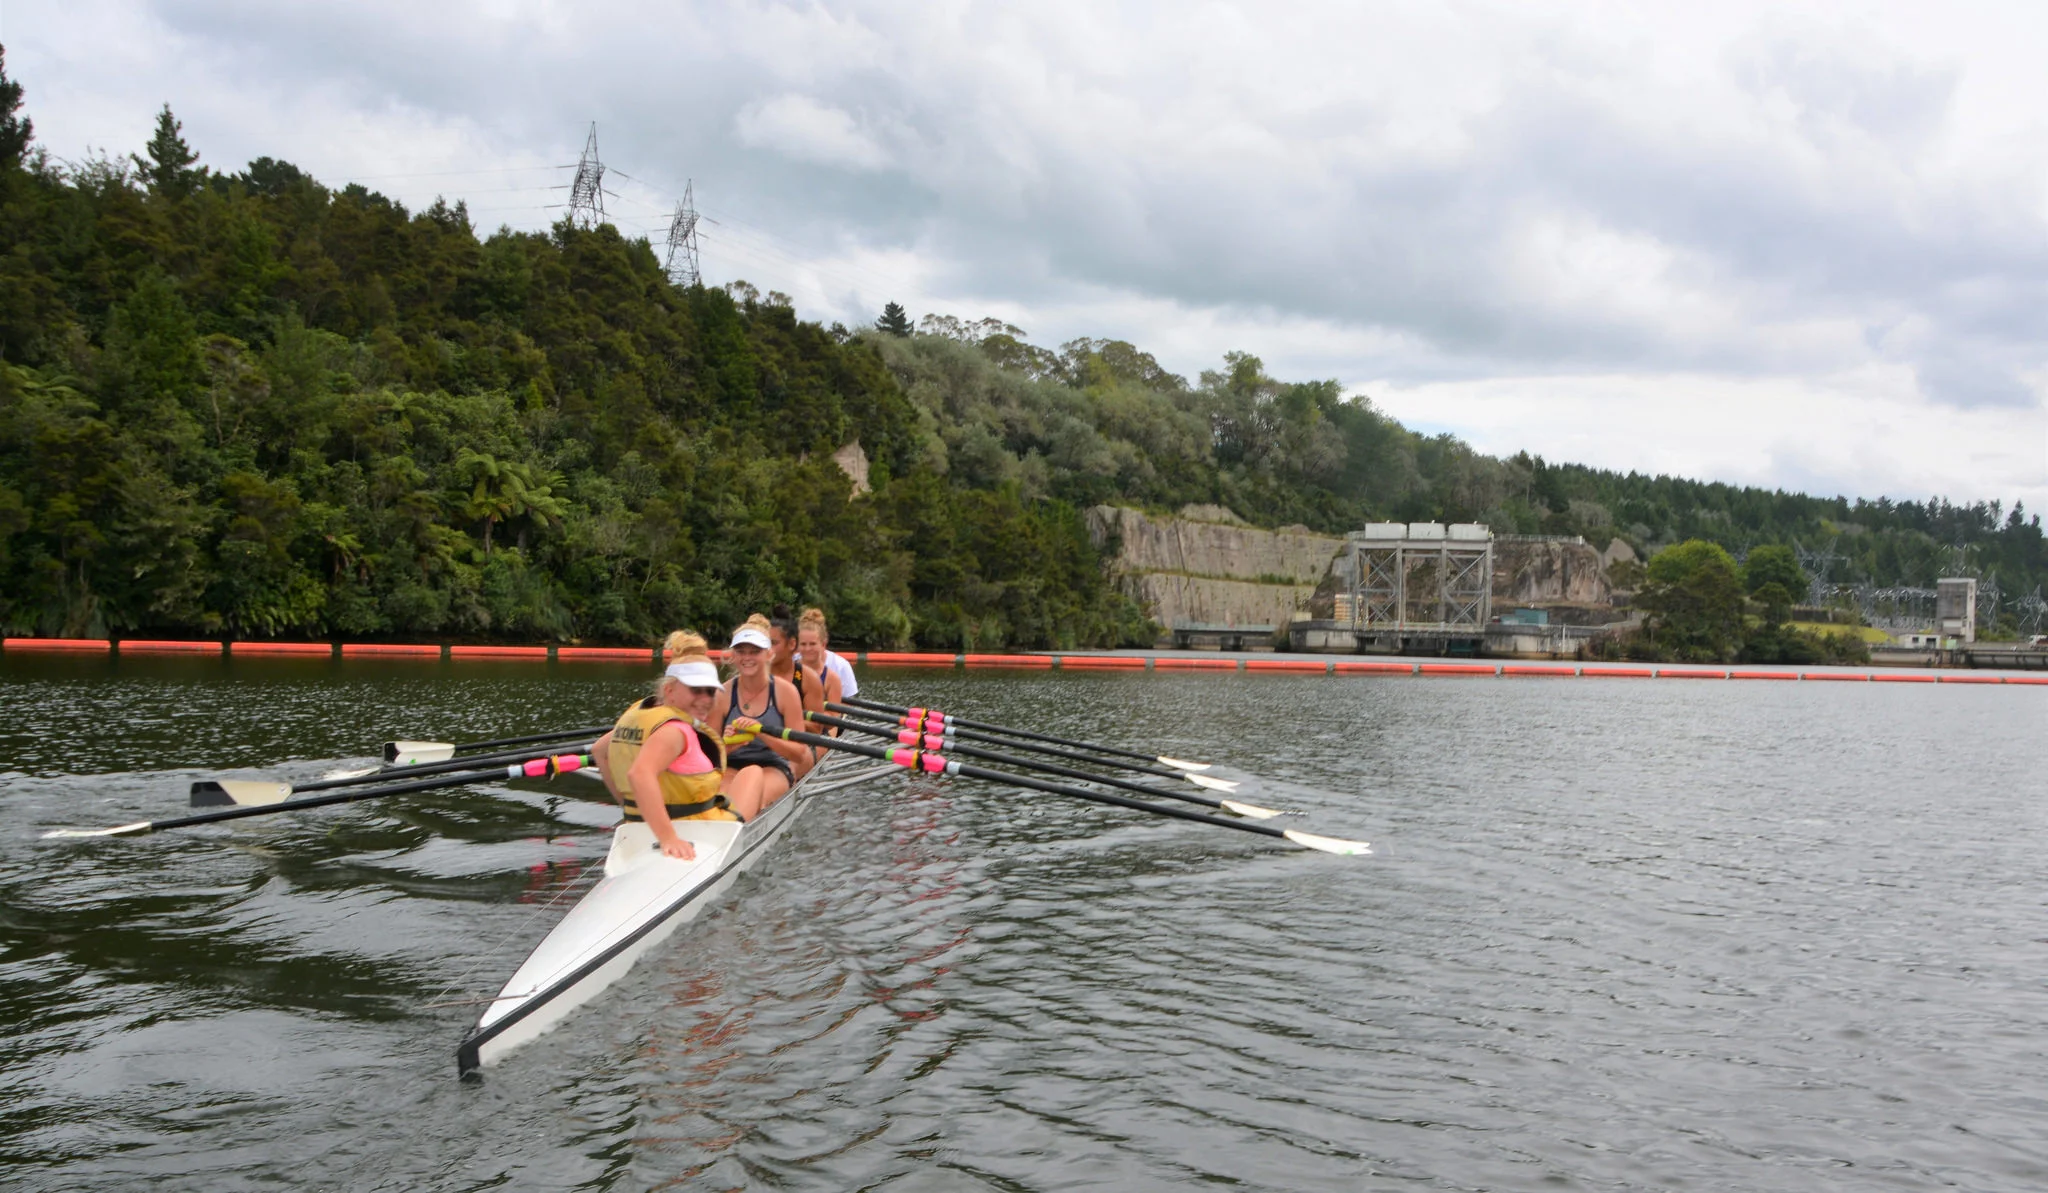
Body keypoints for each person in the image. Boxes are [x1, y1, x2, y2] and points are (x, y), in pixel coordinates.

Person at [590, 632, 737, 861]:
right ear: (670, 690)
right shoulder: (674, 731)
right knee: (752, 775)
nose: (705, 699)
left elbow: (600, 751)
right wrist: (668, 838)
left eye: (710, 691)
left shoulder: (641, 711)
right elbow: (639, 775)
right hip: (690, 832)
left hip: (639, 828)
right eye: (695, 690)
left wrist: (631, 805)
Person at [712, 615, 813, 809]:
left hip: (773, 766)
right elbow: (709, 756)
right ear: (733, 656)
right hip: (731, 765)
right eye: (741, 652)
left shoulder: (786, 692)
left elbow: (800, 754)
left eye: (754, 651)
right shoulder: (722, 695)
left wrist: (761, 733)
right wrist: (725, 745)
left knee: (751, 801)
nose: (747, 658)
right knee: (717, 801)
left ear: (768, 654)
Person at [799, 606, 859, 699]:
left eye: (812, 644)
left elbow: (847, 706)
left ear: (823, 644)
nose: (807, 649)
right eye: (803, 644)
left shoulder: (841, 666)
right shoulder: (791, 664)